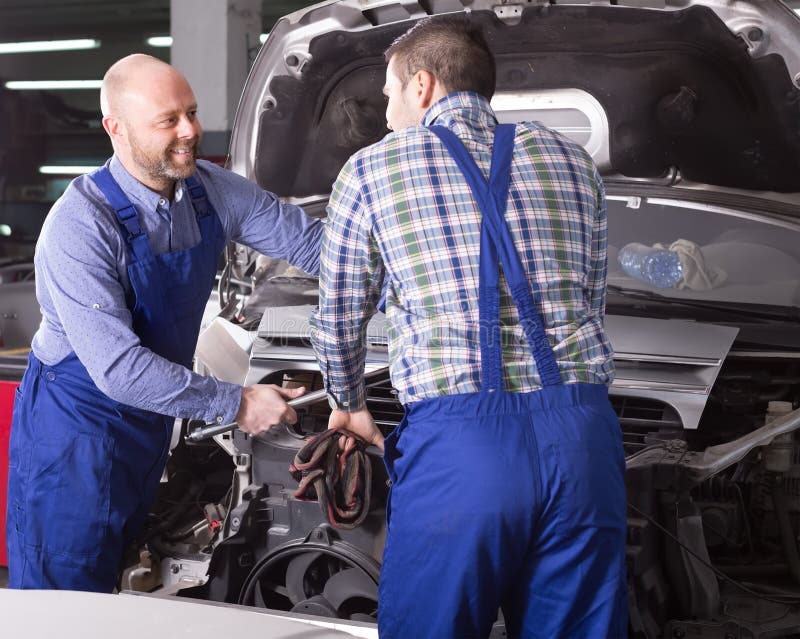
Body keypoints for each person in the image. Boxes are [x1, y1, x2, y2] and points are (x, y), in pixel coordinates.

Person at [310, 16, 628, 639]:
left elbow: (340, 319)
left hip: (462, 454)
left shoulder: (371, 170)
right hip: (584, 446)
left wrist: (347, 404)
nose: (387, 110)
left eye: (389, 95)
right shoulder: (573, 161)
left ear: (422, 85)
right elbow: (591, 299)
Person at [6, 54, 322, 592]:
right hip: (76, 437)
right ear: (117, 129)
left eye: (192, 113)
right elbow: (120, 369)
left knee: (128, 588)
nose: (190, 131)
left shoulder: (211, 190)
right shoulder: (80, 224)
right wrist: (238, 402)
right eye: (168, 121)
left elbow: (312, 244)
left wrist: (413, 286)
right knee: (65, 602)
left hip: (148, 426)